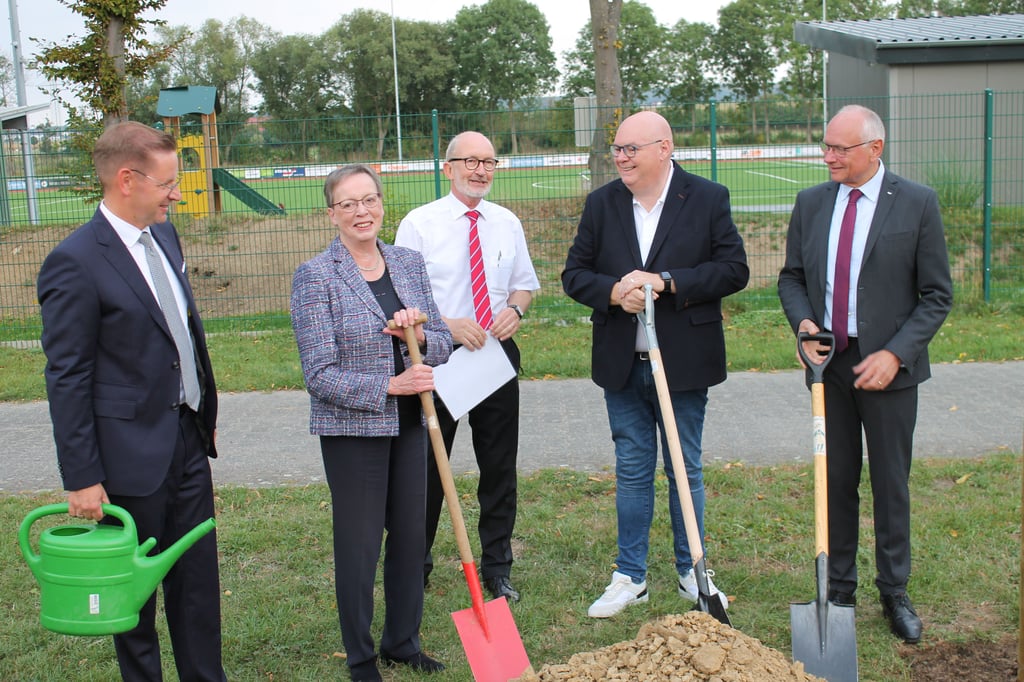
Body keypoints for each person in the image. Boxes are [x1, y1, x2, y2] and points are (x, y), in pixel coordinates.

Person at [37, 121, 226, 680]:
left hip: (187, 441)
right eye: (167, 183)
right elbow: (67, 376)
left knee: (197, 586)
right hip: (127, 457)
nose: (177, 194)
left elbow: (181, 333)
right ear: (126, 180)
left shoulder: (165, 237)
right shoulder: (74, 261)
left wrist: (202, 411)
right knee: (134, 600)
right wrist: (81, 477)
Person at [562, 111, 749, 618]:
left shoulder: (706, 197)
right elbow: (574, 274)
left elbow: (733, 270)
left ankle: (694, 571)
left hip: (684, 361)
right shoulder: (602, 203)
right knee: (631, 468)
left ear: (664, 148)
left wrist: (667, 281)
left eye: (631, 149)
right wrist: (613, 292)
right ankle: (631, 576)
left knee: (685, 467)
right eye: (617, 149)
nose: (621, 158)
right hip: (622, 362)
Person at [778, 104, 953, 644]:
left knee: (890, 482)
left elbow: (936, 295)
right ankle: (839, 588)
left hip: (889, 371)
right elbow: (791, 278)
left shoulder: (917, 203)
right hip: (828, 365)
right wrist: (804, 323)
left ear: (875, 149)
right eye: (826, 146)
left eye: (840, 148)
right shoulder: (811, 203)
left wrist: (896, 354)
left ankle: (894, 590)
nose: (828, 157)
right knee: (835, 479)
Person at [290, 164, 452, 682]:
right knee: (359, 547)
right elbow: (319, 374)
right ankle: (360, 659)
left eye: (370, 200)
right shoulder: (316, 275)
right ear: (331, 214)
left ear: (382, 203)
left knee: (409, 537)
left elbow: (442, 342)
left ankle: (402, 642)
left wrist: (418, 335)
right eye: (348, 204)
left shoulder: (407, 263)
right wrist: (389, 386)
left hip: (412, 425)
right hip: (353, 431)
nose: (362, 212)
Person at [394, 131, 540, 603]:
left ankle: (498, 567)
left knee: (498, 467)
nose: (480, 170)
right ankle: (414, 566)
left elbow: (523, 286)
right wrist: (445, 324)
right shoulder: (420, 224)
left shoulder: (506, 222)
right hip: (438, 360)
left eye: (489, 162)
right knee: (428, 468)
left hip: (494, 359)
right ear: (448, 167)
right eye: (470, 161)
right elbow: (401, 299)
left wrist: (514, 311)